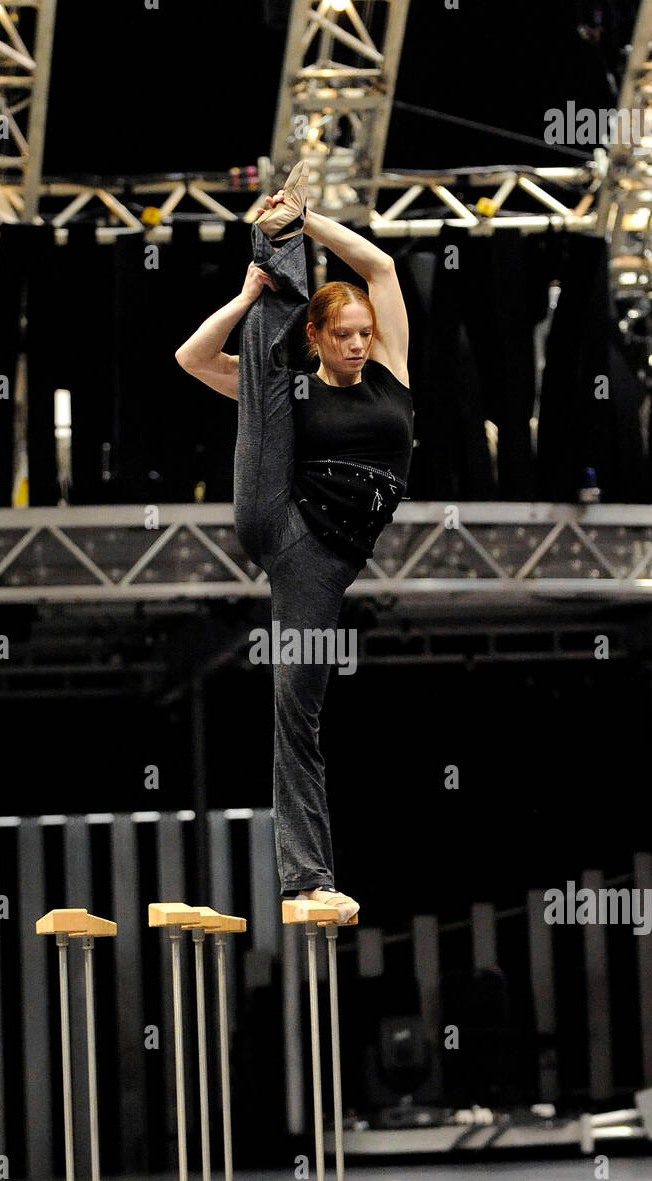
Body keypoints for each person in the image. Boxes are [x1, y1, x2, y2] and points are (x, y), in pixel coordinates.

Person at [175, 162, 412, 925]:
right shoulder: (296, 382)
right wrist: (249, 293)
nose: (353, 345)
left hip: (324, 560)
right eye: (340, 334)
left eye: (360, 335)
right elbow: (189, 361)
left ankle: (277, 226)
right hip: (282, 519)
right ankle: (309, 879)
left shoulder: (390, 372)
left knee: (299, 704)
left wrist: (306, 220)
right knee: (268, 377)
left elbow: (378, 265)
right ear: (320, 334)